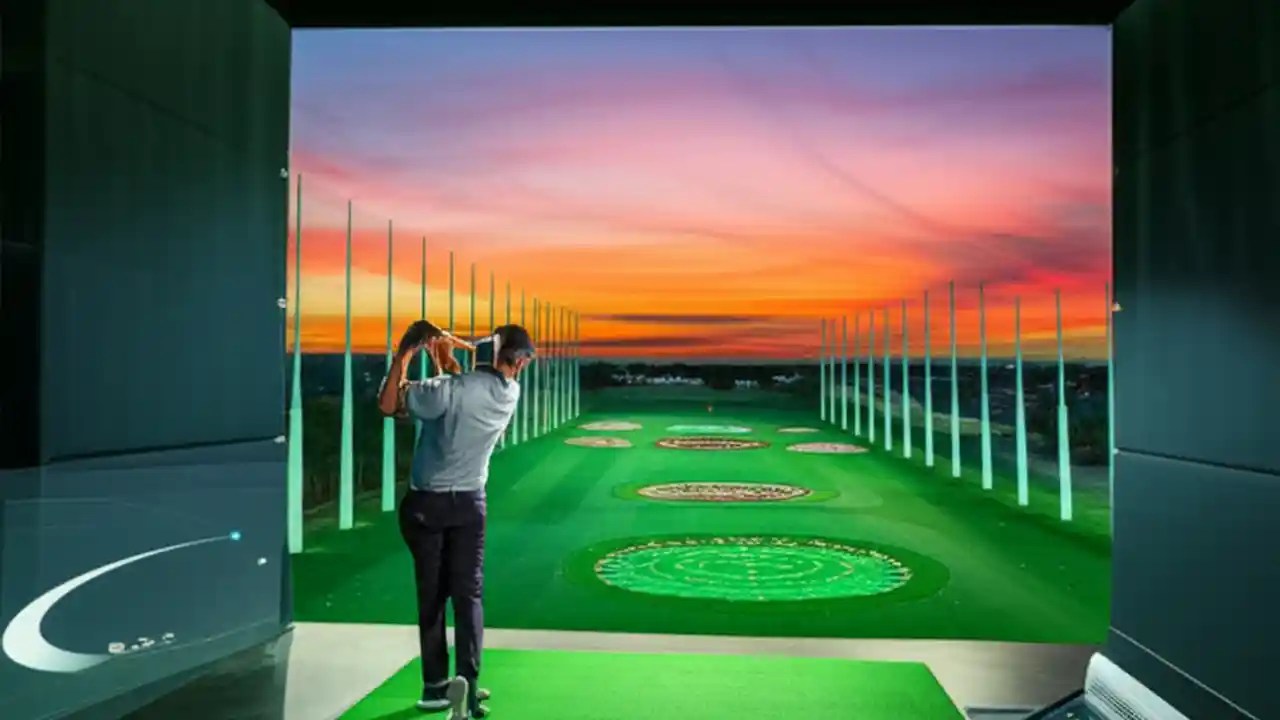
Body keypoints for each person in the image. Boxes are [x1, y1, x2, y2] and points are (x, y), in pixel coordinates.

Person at [378, 320, 536, 719]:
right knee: (468, 596)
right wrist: (446, 361)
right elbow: (465, 390)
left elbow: (389, 404)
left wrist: (406, 352)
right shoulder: (509, 393)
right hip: (469, 506)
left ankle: (435, 687)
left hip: (426, 506)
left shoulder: (445, 390)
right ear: (516, 362)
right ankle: (468, 682)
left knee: (432, 597)